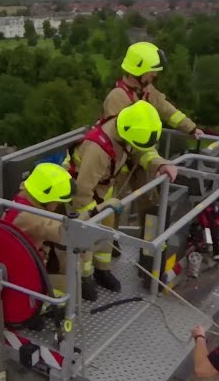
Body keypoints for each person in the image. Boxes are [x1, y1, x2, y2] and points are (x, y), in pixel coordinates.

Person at [66, 100, 179, 298]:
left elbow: (142, 150)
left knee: (107, 231)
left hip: (102, 192)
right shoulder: (98, 149)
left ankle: (102, 269)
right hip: (80, 193)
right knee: (86, 237)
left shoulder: (127, 131)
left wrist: (159, 164)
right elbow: (82, 191)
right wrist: (95, 214)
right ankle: (84, 278)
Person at [4, 162, 76, 326]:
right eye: (56, 201)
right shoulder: (31, 217)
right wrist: (96, 212)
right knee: (68, 285)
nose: (57, 206)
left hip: (17, 270)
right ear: (45, 197)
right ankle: (34, 311)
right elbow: (65, 234)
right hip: (22, 280)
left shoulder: (23, 198)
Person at [104, 41, 205, 141]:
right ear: (139, 70)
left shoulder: (147, 90)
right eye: (152, 70)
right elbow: (113, 136)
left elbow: (168, 111)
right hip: (129, 152)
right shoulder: (116, 98)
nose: (155, 74)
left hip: (143, 147)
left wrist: (191, 128)